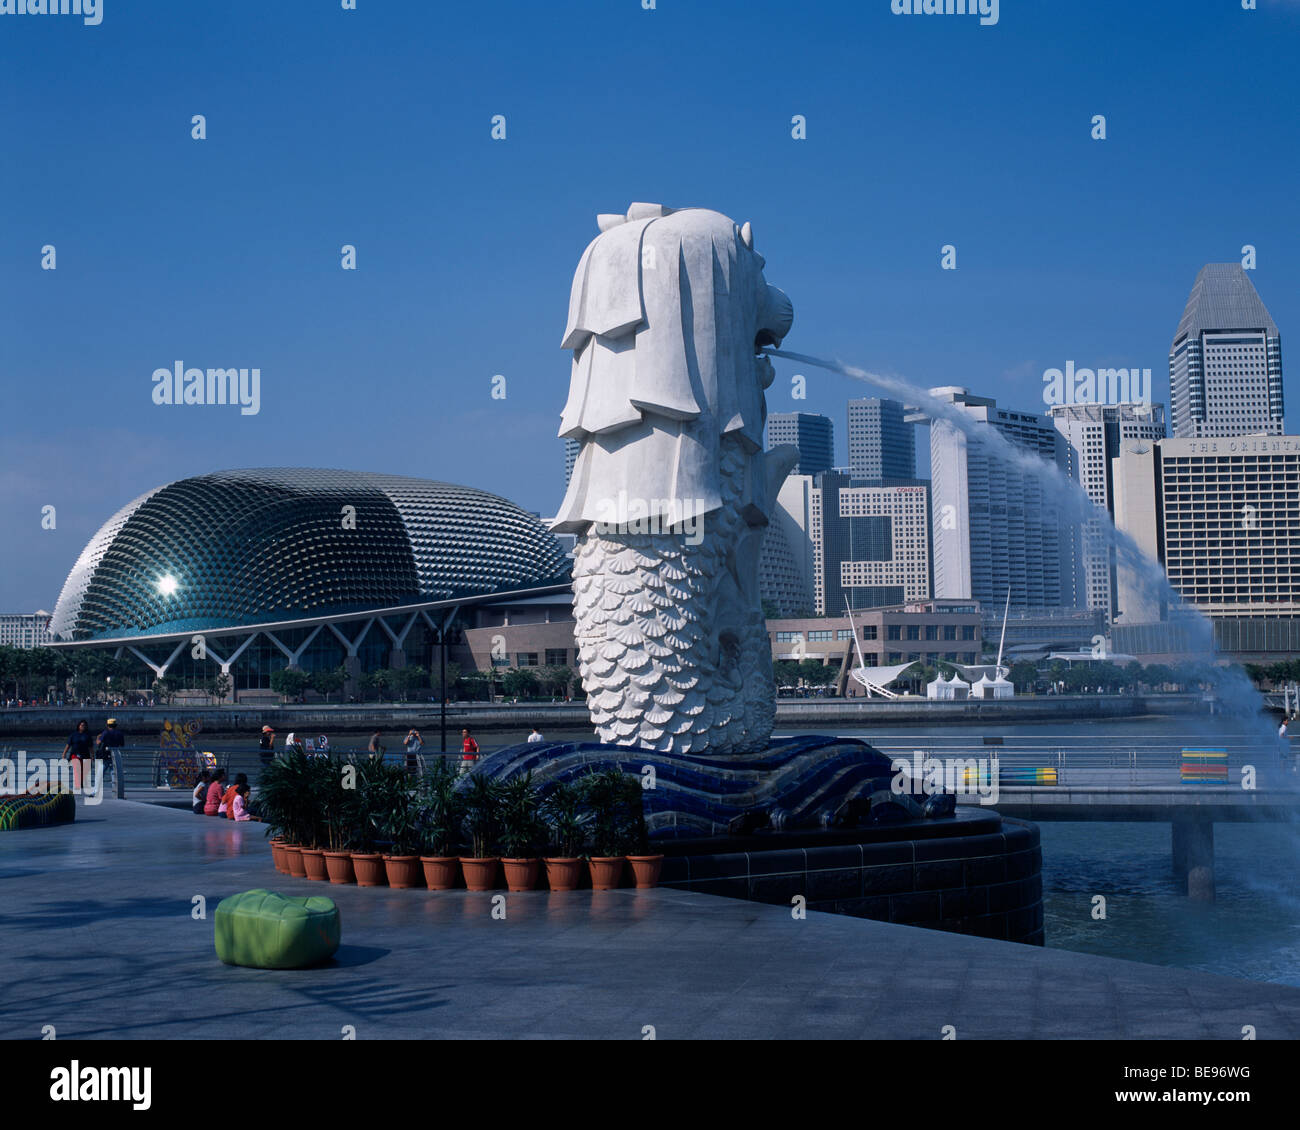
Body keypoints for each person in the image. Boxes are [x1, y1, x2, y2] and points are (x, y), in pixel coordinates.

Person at [62, 720, 93, 791]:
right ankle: (77, 784)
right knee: (77, 770)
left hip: (85, 755)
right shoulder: (73, 735)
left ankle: (81, 784)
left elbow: (90, 747)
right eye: (81, 725)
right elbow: (68, 745)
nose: (83, 726)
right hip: (75, 755)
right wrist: (64, 753)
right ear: (78, 726)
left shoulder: (88, 735)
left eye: (84, 725)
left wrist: (92, 756)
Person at [96, 718, 124, 792]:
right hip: (115, 755)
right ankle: (115, 790)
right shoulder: (120, 733)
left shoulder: (105, 733)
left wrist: (98, 737)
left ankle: (96, 791)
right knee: (113, 774)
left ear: (107, 725)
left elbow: (98, 743)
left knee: (100, 774)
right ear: (115, 725)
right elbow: (122, 744)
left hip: (105, 755)